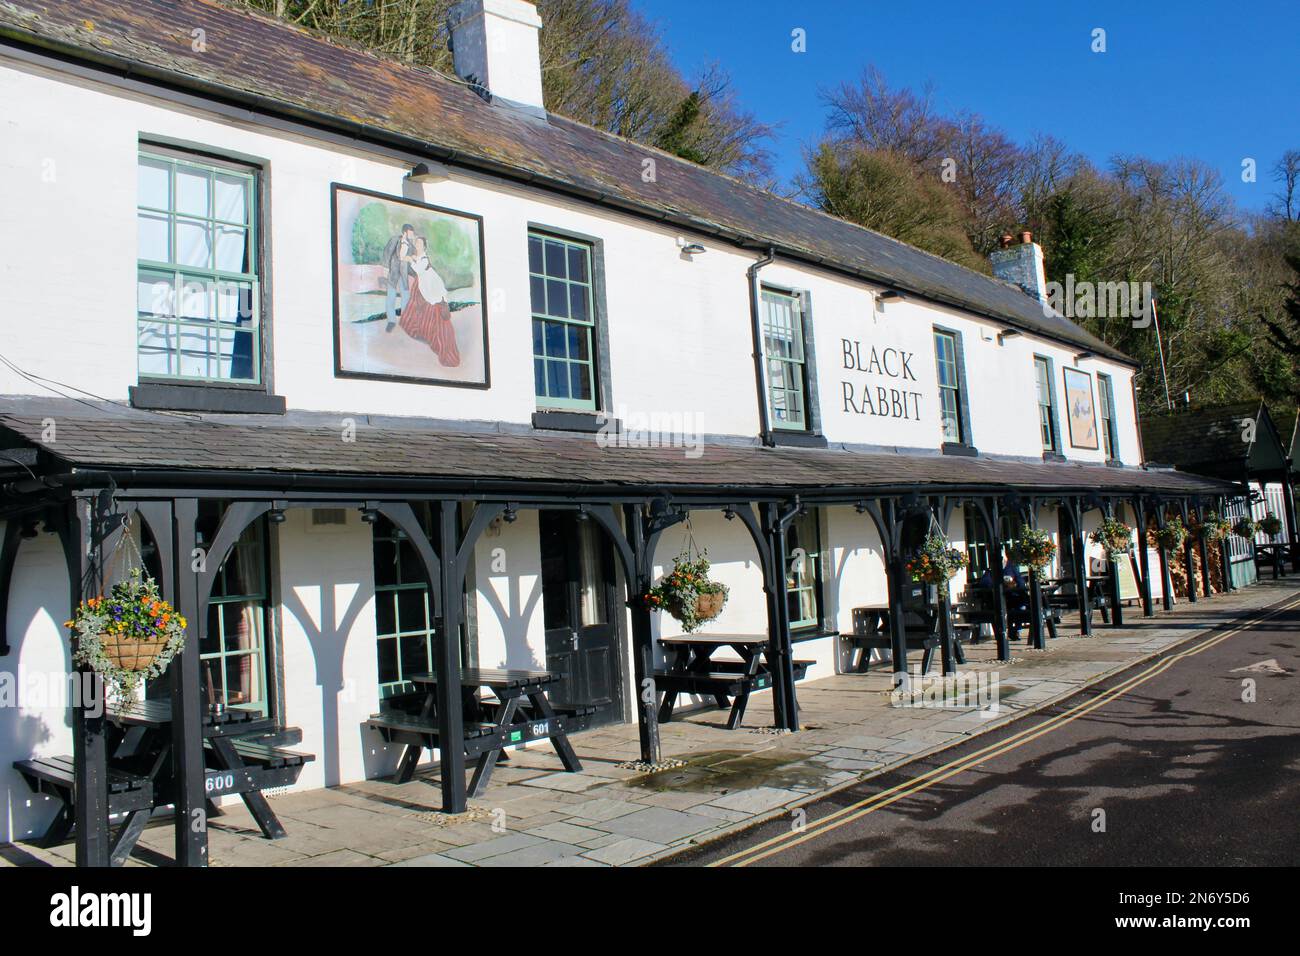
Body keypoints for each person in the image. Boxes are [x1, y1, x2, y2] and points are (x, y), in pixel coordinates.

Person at [398, 236, 461, 367]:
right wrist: (404, 243)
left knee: (434, 311)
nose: (417, 244)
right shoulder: (417, 255)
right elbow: (402, 257)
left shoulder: (424, 258)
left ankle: (442, 343)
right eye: (417, 243)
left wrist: (410, 260)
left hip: (429, 286)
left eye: (420, 243)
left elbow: (418, 270)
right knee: (417, 308)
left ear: (424, 246)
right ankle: (419, 330)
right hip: (421, 286)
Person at [382, 223, 416, 332]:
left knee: (406, 296)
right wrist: (386, 268)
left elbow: (410, 262)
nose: (413, 234)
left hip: (404, 274)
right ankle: (391, 321)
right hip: (393, 273)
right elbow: (387, 253)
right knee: (391, 296)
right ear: (405, 232)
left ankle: (405, 320)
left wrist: (416, 274)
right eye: (411, 232)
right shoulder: (395, 240)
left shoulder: (411, 246)